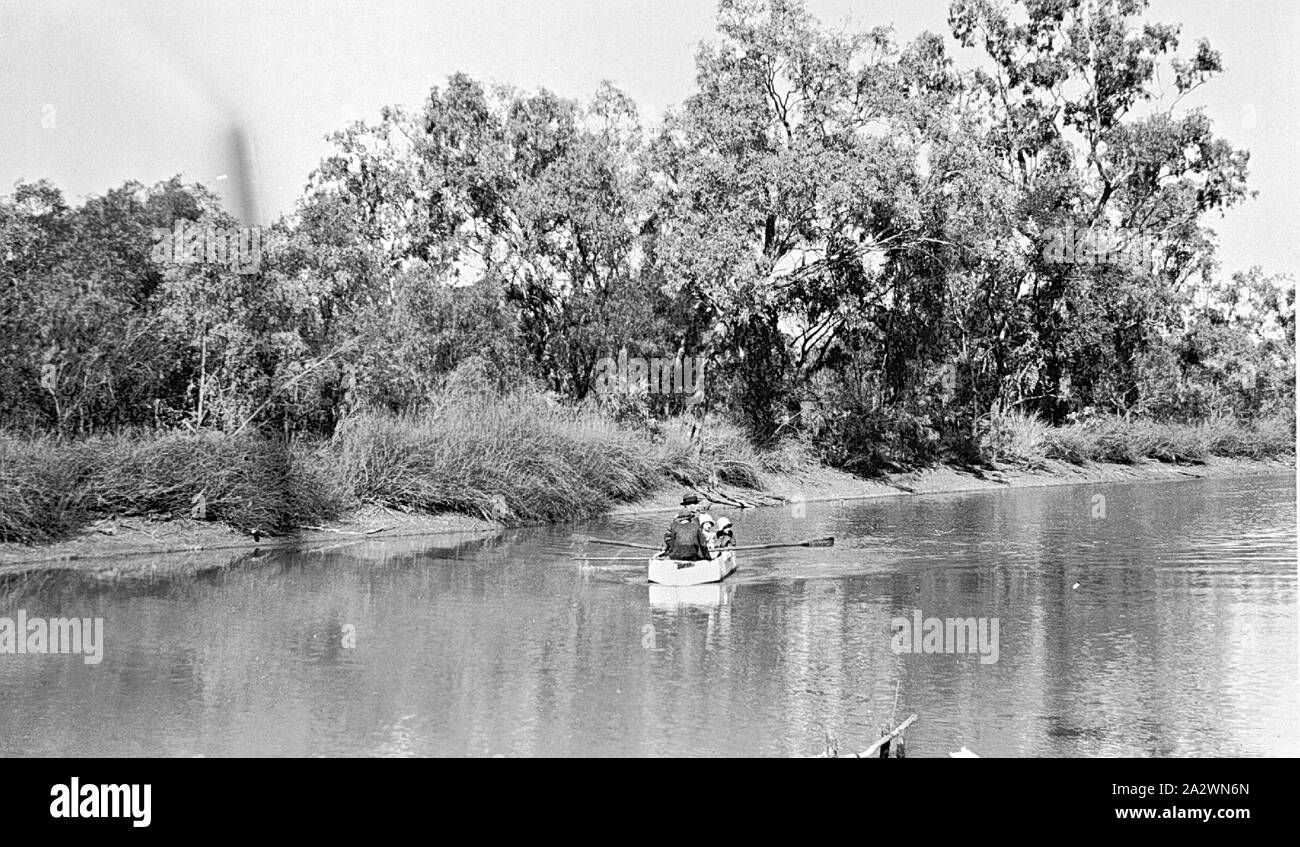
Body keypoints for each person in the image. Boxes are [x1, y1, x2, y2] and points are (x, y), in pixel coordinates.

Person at [663, 493, 711, 561]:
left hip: (697, 549)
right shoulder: (678, 518)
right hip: (682, 550)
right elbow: (669, 536)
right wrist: (675, 545)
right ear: (685, 506)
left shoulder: (700, 516)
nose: (692, 506)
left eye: (694, 504)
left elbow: (702, 537)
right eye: (689, 504)